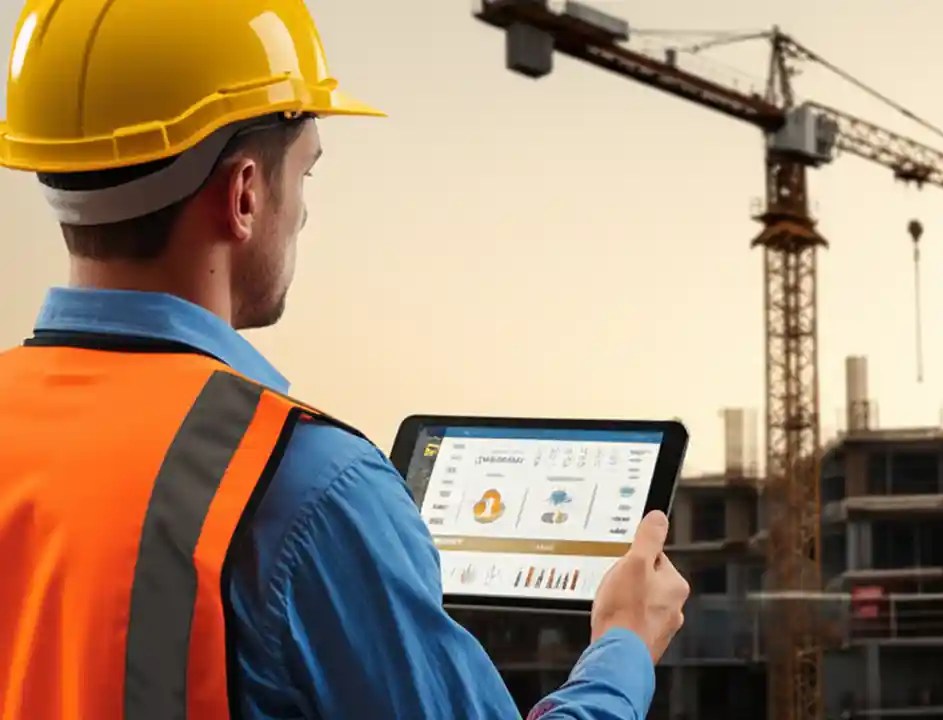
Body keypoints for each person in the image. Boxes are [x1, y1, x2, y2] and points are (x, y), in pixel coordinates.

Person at [0, 1, 690, 719]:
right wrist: (622, 647)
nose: (301, 212)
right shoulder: (305, 490)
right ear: (243, 195)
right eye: (305, 174)